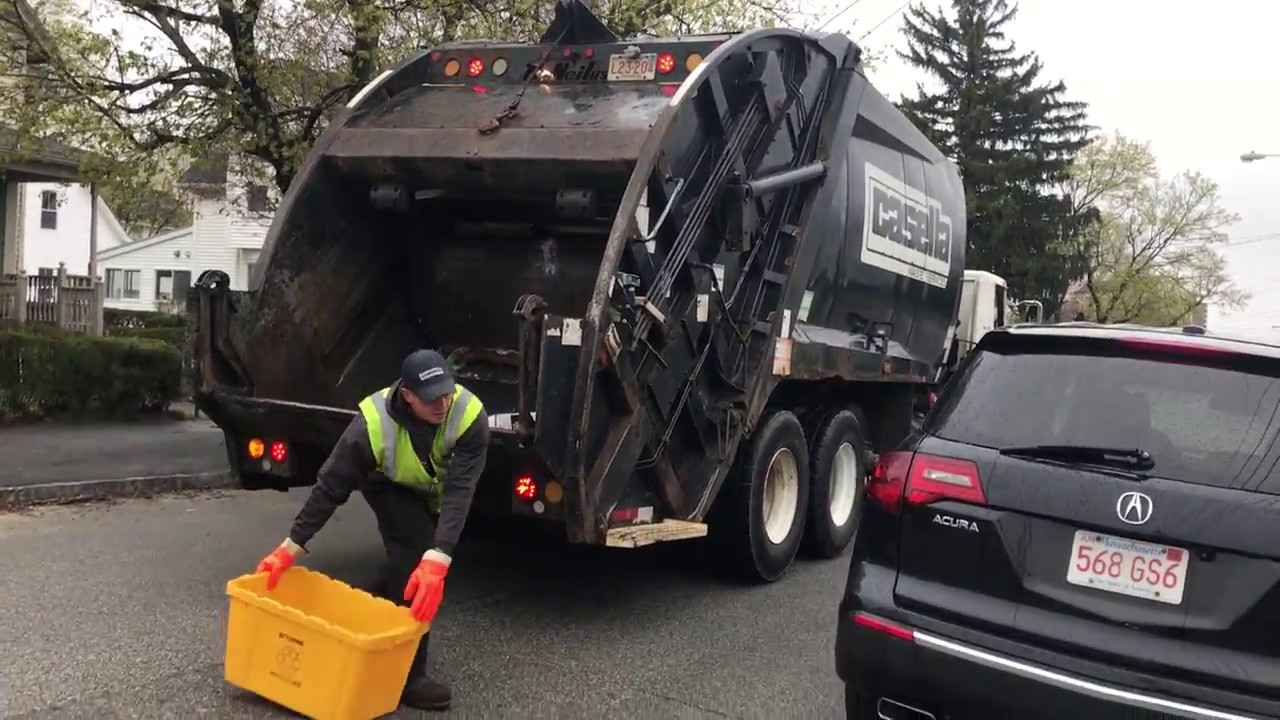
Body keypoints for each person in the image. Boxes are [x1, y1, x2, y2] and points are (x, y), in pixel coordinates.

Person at [253, 348, 489, 712]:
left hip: (436, 491)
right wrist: (291, 545)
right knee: (412, 561)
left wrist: (440, 554)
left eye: (446, 393)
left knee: (412, 566)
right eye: (431, 399)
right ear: (407, 395)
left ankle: (352, 624)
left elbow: (461, 489)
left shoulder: (469, 414)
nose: (442, 404)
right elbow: (330, 487)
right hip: (389, 485)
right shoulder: (370, 425)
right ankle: (409, 679)